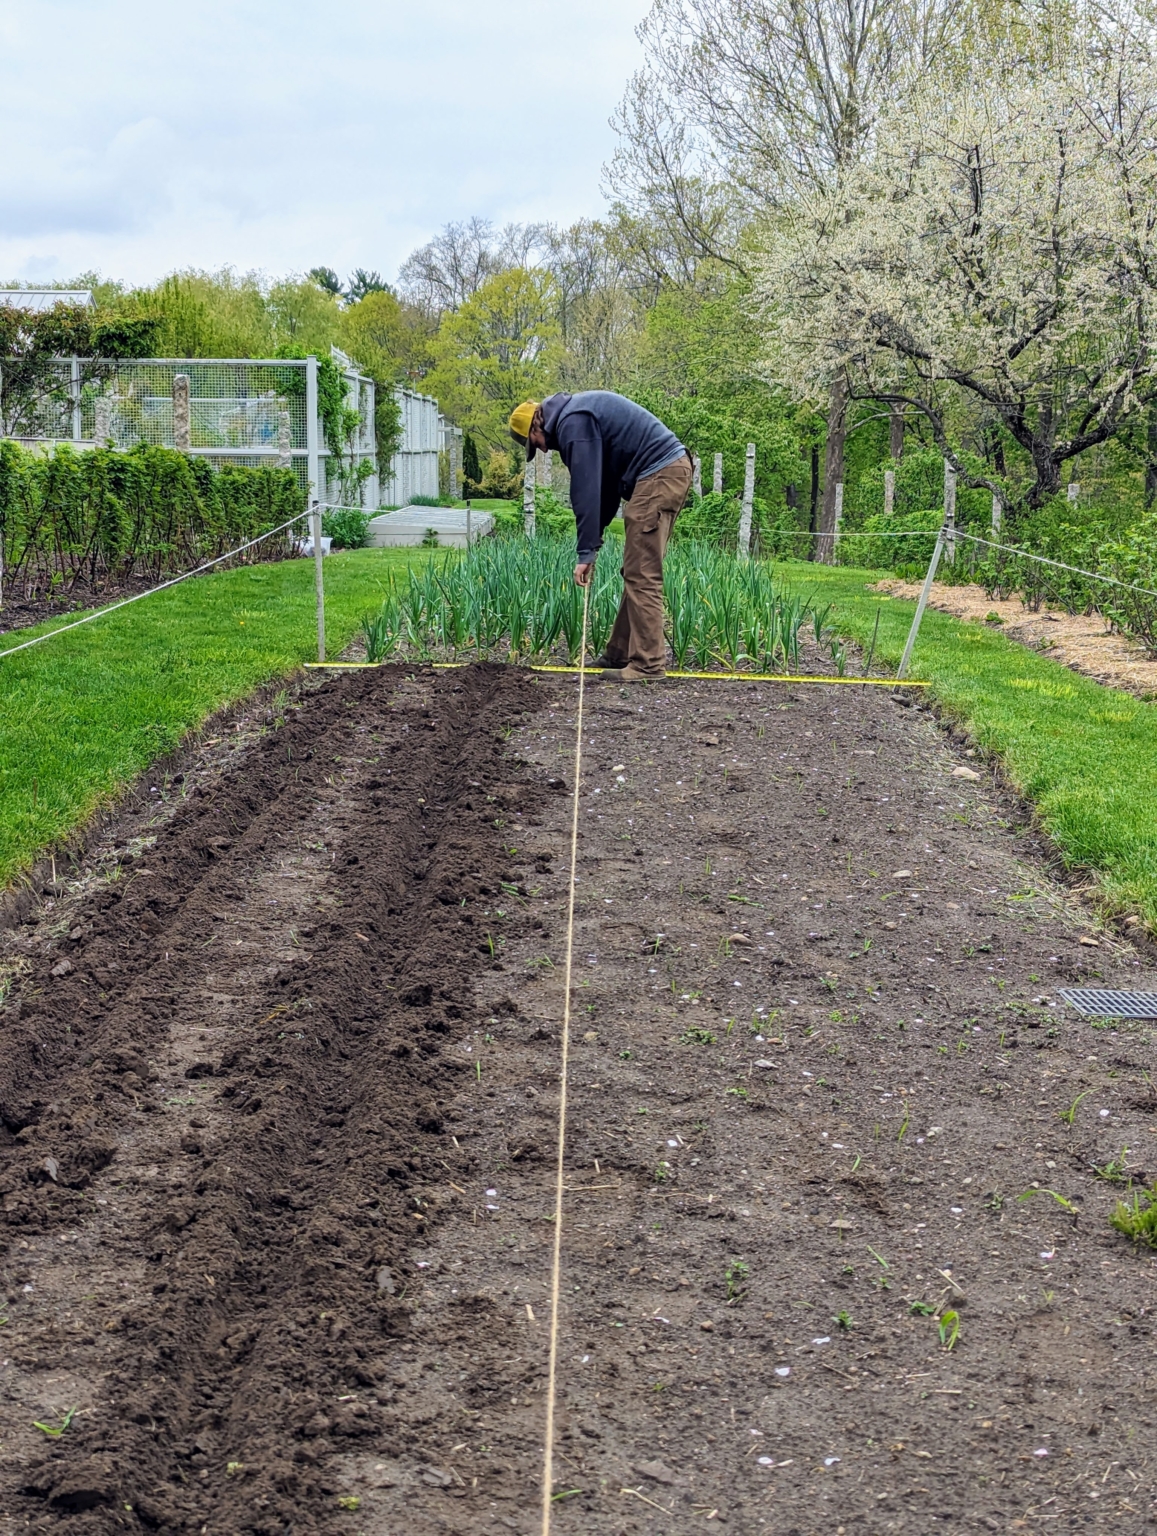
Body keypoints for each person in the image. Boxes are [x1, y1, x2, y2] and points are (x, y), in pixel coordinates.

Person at [509, 392, 692, 681]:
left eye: (536, 444)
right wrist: (593, 543)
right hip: (665, 471)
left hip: (659, 474)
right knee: (636, 569)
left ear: (536, 427)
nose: (543, 451)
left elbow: (585, 489)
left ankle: (648, 664)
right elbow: (605, 488)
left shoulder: (572, 423)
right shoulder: (576, 416)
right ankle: (619, 655)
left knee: (643, 572)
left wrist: (585, 553)